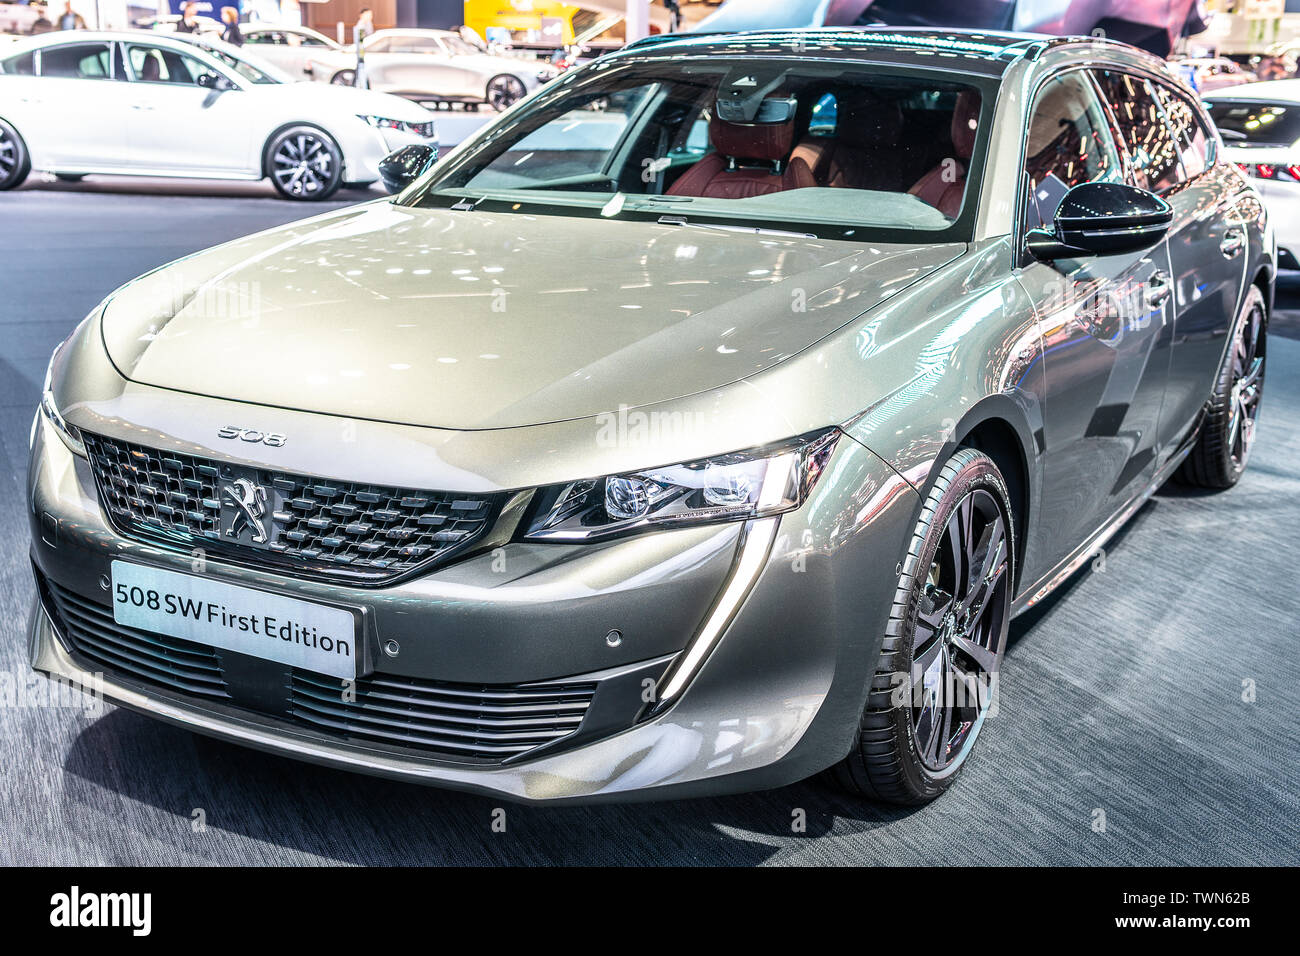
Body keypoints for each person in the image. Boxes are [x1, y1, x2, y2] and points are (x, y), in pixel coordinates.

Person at [352, 7, 373, 88]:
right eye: (368, 15)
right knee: (361, 72)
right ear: (361, 15)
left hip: (363, 54)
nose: (370, 17)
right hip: (361, 54)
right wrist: (361, 56)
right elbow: (361, 42)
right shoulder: (360, 26)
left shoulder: (368, 24)